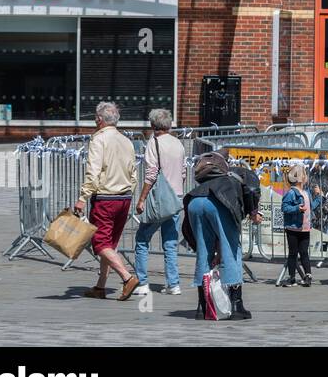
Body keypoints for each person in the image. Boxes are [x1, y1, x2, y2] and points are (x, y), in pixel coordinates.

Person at [183, 150, 261, 320]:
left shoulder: (212, 178)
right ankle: (236, 306)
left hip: (195, 201)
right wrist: (254, 211)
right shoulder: (244, 173)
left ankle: (203, 307)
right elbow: (253, 190)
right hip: (219, 201)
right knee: (232, 251)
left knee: (203, 253)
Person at [74, 101, 140, 301]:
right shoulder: (126, 140)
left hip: (105, 197)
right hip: (124, 197)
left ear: (100, 120)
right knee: (110, 243)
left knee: (100, 242)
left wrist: (82, 198)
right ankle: (100, 286)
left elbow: (93, 172)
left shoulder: (98, 139)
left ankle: (127, 277)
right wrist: (129, 191)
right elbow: (134, 172)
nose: (95, 120)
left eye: (96, 117)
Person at [132, 108, 186, 296]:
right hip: (176, 197)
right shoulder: (178, 143)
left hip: (159, 199)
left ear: (153, 125)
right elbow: (184, 172)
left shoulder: (153, 143)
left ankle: (142, 283)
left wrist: (141, 199)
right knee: (170, 242)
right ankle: (173, 283)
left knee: (142, 239)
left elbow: (151, 174)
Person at [280, 163, 322, 287]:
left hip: (304, 228)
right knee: (293, 253)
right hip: (293, 227)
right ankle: (292, 277)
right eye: (305, 174)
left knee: (304, 252)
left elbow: (311, 207)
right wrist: (297, 208)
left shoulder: (306, 192)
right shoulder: (291, 193)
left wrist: (319, 197)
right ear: (301, 178)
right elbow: (285, 207)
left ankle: (308, 275)